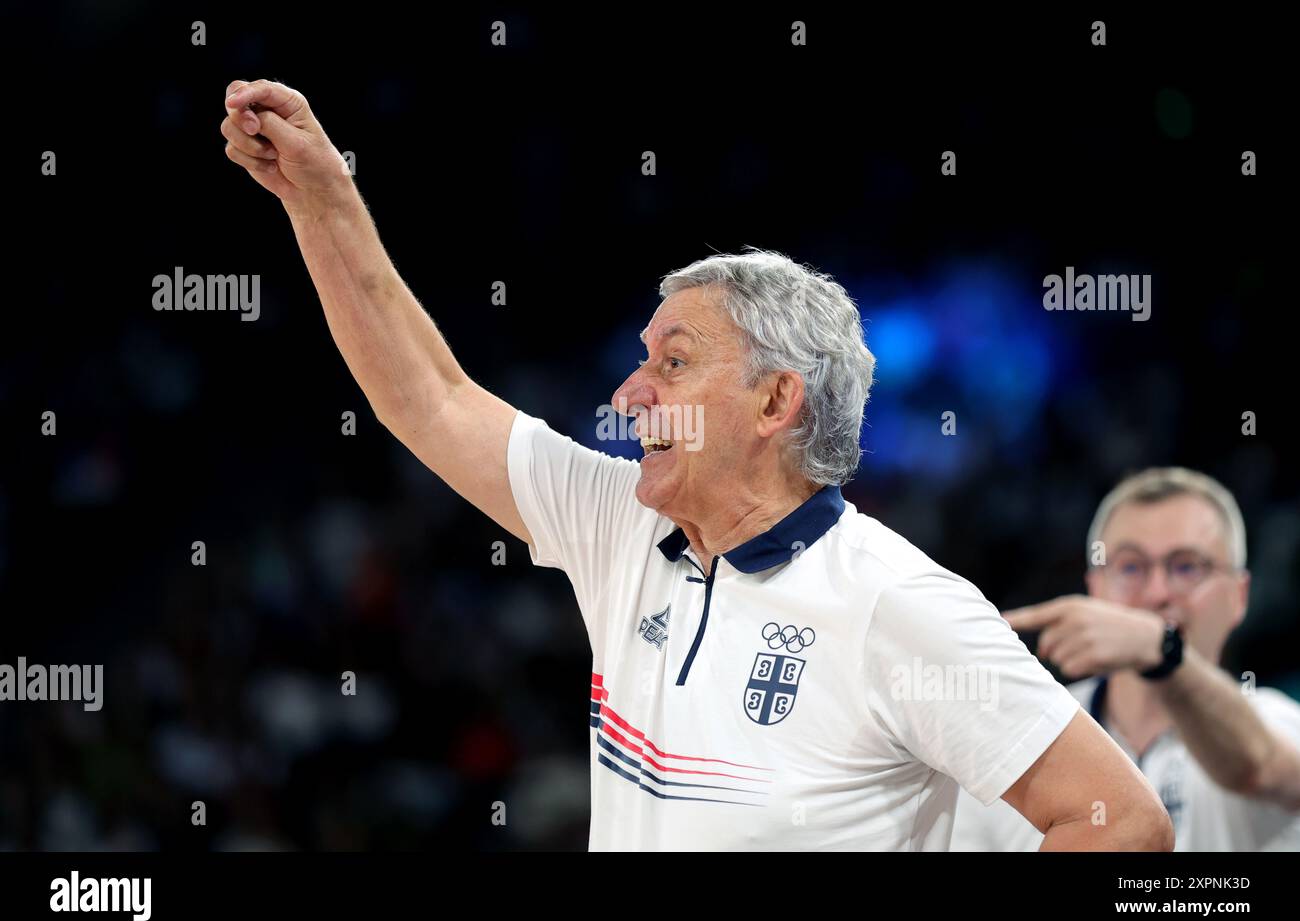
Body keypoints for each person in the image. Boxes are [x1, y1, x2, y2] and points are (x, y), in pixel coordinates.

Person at [220, 78, 1173, 851]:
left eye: (672, 361)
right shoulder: (624, 525)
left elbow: (1123, 822)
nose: (631, 393)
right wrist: (324, 202)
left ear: (774, 401)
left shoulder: (897, 602)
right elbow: (426, 398)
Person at [951, 467, 1300, 850]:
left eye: (1187, 567)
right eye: (1130, 567)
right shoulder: (1024, 734)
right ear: (1094, 588)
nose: (1156, 592)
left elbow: (1258, 766)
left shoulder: (1280, 724)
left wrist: (1160, 648)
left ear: (1239, 595)